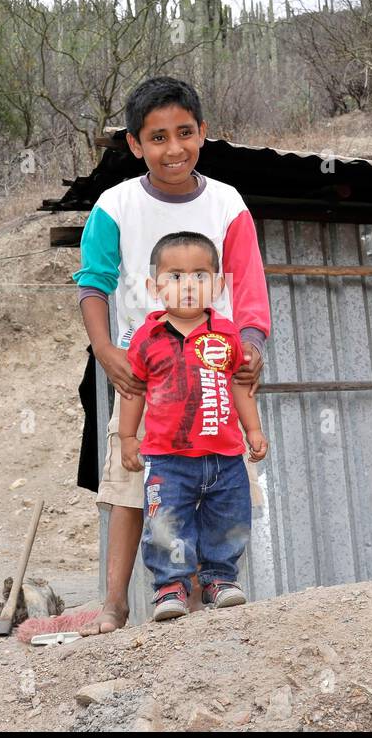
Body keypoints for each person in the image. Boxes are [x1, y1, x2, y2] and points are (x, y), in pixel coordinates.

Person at [72, 75, 271, 635]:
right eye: (157, 137)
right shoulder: (115, 205)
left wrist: (251, 345)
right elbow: (93, 282)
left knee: (223, 488)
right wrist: (105, 349)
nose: (174, 147)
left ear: (203, 133)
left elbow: (250, 285)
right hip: (145, 372)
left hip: (215, 369)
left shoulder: (227, 203)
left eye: (185, 132)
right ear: (136, 144)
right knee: (130, 485)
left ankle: (215, 595)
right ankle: (115, 604)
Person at [119, 231, 269, 619]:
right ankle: (171, 587)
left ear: (218, 286)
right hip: (167, 458)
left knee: (229, 517)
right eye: (176, 276)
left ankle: (221, 579)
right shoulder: (146, 338)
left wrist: (252, 430)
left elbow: (240, 383)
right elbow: (133, 391)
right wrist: (126, 437)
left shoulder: (227, 333)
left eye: (200, 276)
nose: (188, 286)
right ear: (155, 287)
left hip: (225, 454)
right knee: (166, 521)